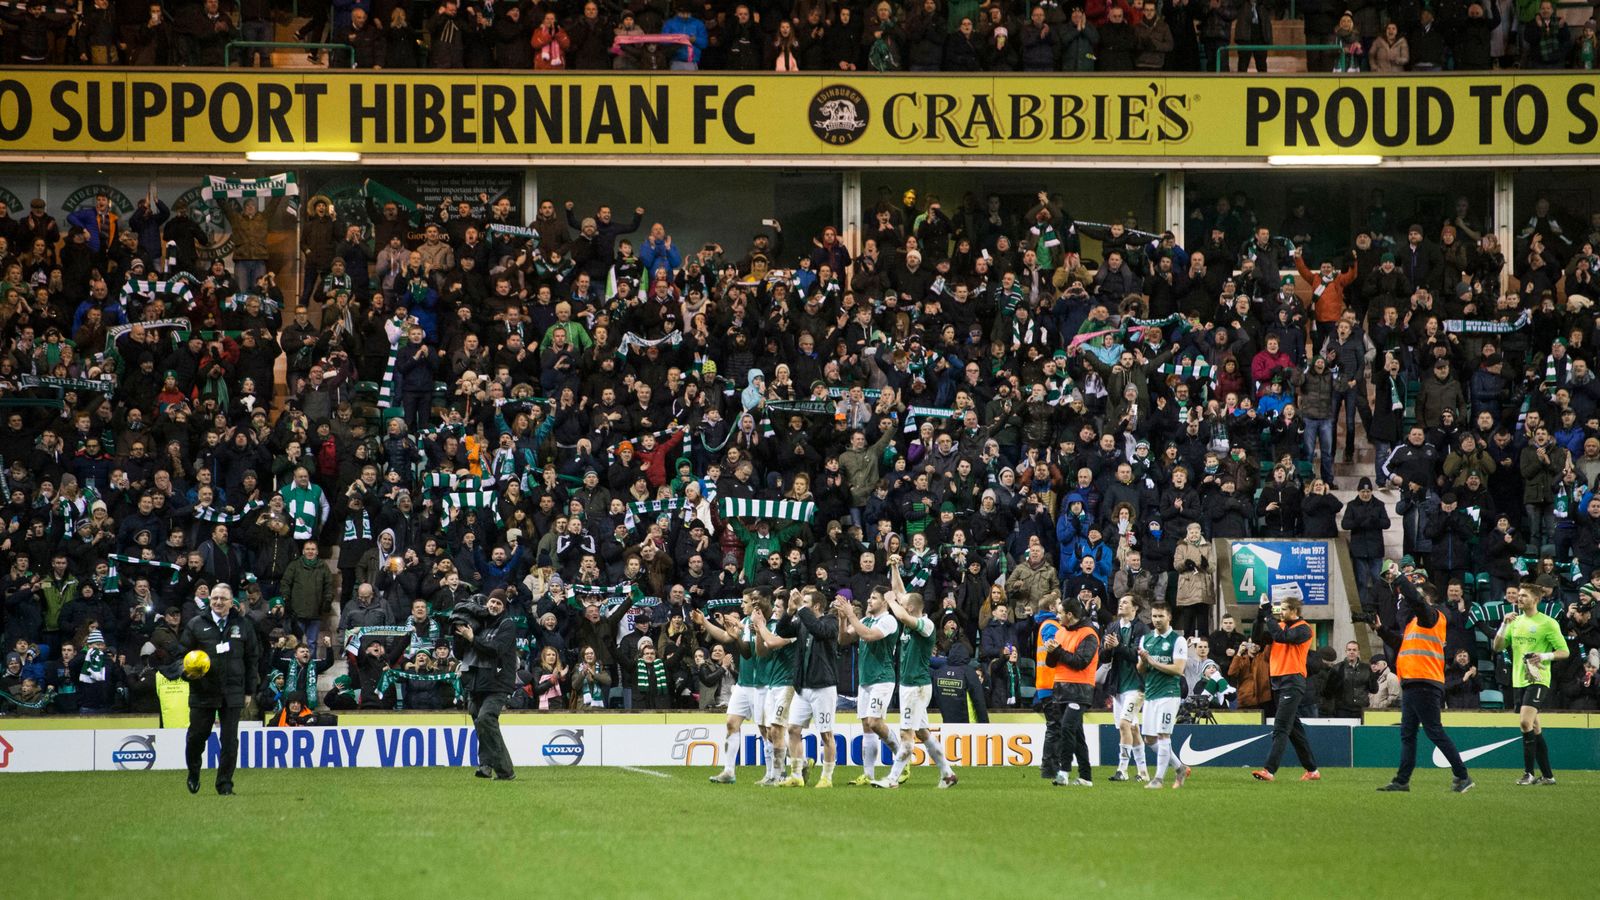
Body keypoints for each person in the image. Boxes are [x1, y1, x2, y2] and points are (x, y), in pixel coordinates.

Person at [1374, 562, 1474, 792]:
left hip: (1424, 680)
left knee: (1433, 731)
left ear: (1428, 598)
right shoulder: (1417, 622)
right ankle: (1402, 781)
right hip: (1414, 680)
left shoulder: (1434, 616)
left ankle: (1462, 776)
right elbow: (1400, 644)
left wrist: (1400, 578)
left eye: (1417, 595)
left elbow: (1417, 601)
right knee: (1409, 733)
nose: (1411, 599)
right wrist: (1380, 630)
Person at [877, 568, 956, 788]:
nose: (900, 605)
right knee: (922, 732)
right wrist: (893, 567)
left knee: (906, 734)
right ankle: (947, 773)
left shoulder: (926, 624)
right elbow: (901, 593)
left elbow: (901, 609)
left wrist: (891, 601)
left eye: (903, 604)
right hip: (910, 685)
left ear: (911, 608)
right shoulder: (909, 616)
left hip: (916, 687)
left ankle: (892, 779)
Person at [178, 584, 260, 796]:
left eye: (223, 598)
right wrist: (188, 673)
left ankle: (224, 784)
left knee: (230, 740)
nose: (218, 602)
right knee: (196, 737)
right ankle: (194, 771)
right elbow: (180, 656)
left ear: (232, 602)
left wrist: (250, 690)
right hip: (202, 690)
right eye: (215, 598)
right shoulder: (196, 624)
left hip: (233, 690)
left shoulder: (243, 625)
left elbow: (252, 658)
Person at [1493, 583, 1570, 785]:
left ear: (1536, 600)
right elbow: (1497, 647)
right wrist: (1504, 625)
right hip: (1519, 679)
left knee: (1525, 722)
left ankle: (1528, 773)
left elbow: (1564, 651)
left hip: (1538, 678)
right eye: (1518, 595)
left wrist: (1543, 655)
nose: (1519, 598)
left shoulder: (1548, 623)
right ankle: (1548, 776)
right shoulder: (1515, 622)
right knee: (1534, 728)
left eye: (1524, 596)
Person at [694, 590, 767, 785]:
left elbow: (749, 652)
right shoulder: (744, 622)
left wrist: (737, 635)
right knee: (731, 724)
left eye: (744, 602)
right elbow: (726, 637)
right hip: (743, 684)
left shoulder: (762, 624)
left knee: (766, 730)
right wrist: (705, 623)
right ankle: (729, 771)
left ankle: (780, 769)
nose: (741, 606)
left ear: (755, 603)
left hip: (761, 685)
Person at [838, 586, 904, 786]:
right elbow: (843, 639)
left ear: (884, 602)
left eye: (874, 598)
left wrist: (851, 615)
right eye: (869, 597)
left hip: (882, 678)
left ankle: (902, 755)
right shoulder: (866, 620)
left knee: (875, 722)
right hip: (866, 680)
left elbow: (868, 636)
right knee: (867, 727)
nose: (869, 600)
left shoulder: (889, 620)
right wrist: (843, 618)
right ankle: (868, 775)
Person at [1251, 594, 1321, 782]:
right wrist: (1259, 615)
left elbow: (1282, 638)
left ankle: (1269, 770)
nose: (1280, 612)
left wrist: (1267, 613)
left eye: (1283, 609)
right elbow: (1257, 638)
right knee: (1294, 730)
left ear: (1294, 611)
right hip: (1278, 682)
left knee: (1281, 727)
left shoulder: (1304, 629)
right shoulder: (1279, 627)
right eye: (1279, 609)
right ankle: (1312, 770)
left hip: (1292, 680)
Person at [779, 587, 843, 787]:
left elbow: (819, 630)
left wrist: (800, 609)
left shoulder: (830, 622)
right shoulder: (802, 621)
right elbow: (781, 631)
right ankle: (797, 775)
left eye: (806, 603)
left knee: (826, 734)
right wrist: (789, 611)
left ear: (816, 606)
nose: (802, 606)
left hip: (823, 687)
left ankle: (827, 777)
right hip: (803, 687)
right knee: (793, 729)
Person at [453, 592, 517, 781]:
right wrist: (459, 636)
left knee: (486, 719)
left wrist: (473, 638)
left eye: (498, 603)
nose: (494, 605)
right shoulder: (478, 624)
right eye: (492, 601)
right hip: (476, 681)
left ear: (503, 607)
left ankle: (506, 771)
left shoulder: (507, 625)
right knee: (482, 725)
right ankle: (486, 766)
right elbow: (459, 654)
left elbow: (495, 650)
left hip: (498, 683)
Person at [1042, 596, 1100, 787]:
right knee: (1076, 733)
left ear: (1069, 614)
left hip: (1079, 689)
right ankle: (1085, 776)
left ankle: (1064, 771)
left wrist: (1057, 651)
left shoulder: (1089, 634)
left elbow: (1080, 662)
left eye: (1059, 612)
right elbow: (1051, 663)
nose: (1057, 616)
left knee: (1067, 728)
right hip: (1060, 688)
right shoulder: (1060, 633)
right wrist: (1051, 651)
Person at [1138, 602, 1191, 789]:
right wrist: (1144, 662)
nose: (1157, 620)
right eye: (1154, 616)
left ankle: (1158, 779)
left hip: (1169, 693)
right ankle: (1179, 768)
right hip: (1151, 693)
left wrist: (1152, 661)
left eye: (1161, 616)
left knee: (1163, 735)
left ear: (1169, 617)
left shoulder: (1178, 640)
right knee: (1149, 739)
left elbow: (1178, 669)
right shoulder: (1146, 639)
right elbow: (1141, 670)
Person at [1103, 594, 1151, 782]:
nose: (1120, 605)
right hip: (1118, 685)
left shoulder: (1142, 629)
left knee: (1124, 724)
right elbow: (1104, 658)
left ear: (1135, 608)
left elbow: (1138, 656)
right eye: (1120, 602)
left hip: (1136, 685)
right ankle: (1143, 772)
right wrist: (1106, 649)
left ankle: (1122, 770)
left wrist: (1119, 646)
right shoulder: (1113, 627)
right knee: (1132, 728)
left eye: (1125, 602)